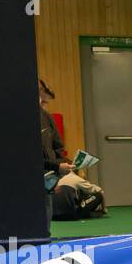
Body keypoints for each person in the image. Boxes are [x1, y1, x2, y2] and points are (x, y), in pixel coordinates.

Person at [39, 80, 73, 221]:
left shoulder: (47, 117)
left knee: (46, 222)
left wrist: (57, 174)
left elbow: (57, 147)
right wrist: (57, 167)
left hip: (48, 177)